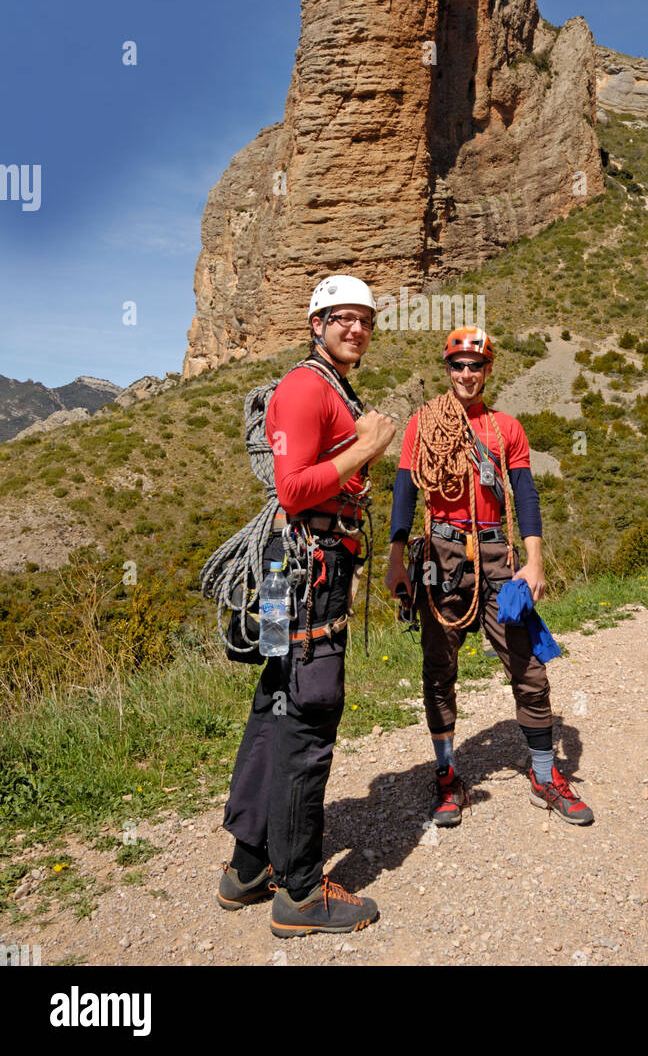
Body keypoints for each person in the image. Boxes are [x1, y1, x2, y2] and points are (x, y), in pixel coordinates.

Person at [218, 275, 395, 936]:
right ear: (315, 322)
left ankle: (245, 867)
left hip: (291, 570)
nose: (355, 328)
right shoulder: (303, 388)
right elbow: (294, 491)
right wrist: (368, 447)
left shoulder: (330, 387)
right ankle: (298, 891)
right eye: (341, 317)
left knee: (274, 702)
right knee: (308, 715)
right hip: (303, 573)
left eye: (364, 320)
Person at [385, 326, 594, 827]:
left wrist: (534, 559)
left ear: (488, 370)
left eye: (474, 366)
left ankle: (544, 774)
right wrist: (396, 558)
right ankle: (446, 775)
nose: (465, 374)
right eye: (457, 365)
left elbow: (525, 494)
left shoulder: (506, 429)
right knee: (439, 669)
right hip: (441, 553)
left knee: (528, 666)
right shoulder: (422, 423)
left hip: (498, 555)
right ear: (447, 369)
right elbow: (404, 491)